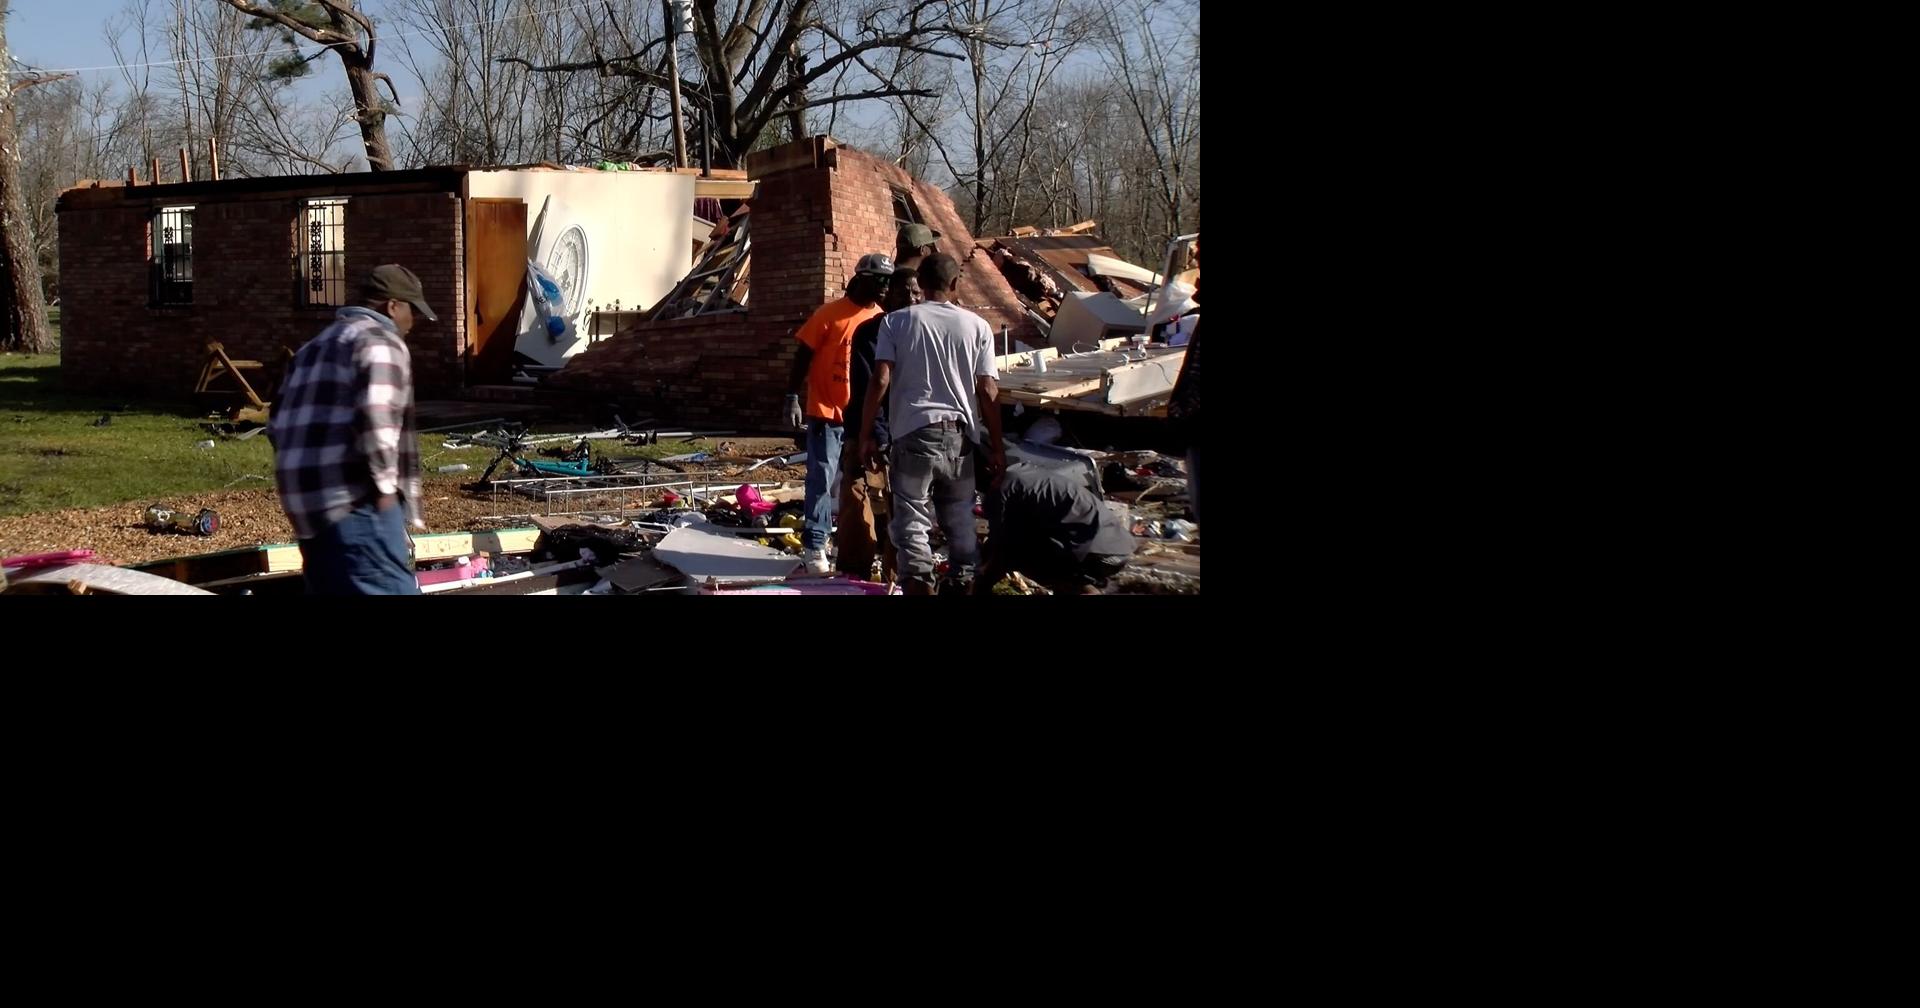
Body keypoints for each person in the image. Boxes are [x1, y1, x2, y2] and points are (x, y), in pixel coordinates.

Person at [270, 264, 437, 595]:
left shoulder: (313, 347)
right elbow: (377, 418)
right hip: (357, 504)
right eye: (411, 312)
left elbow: (276, 424)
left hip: (308, 511)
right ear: (392, 306)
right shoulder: (381, 341)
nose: (412, 323)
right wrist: (386, 490)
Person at [857, 253, 1005, 595]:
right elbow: (987, 389)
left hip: (912, 435)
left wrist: (866, 435)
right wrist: (996, 446)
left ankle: (918, 584)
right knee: (959, 519)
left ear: (919, 284)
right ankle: (963, 582)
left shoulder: (896, 322)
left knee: (911, 521)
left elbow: (880, 380)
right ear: (954, 284)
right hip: (959, 439)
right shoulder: (978, 327)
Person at [785, 253, 892, 573]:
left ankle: (867, 545)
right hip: (828, 411)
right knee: (821, 479)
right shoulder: (830, 314)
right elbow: (803, 355)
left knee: (867, 484)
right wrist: (791, 395)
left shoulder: (883, 319)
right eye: (880, 281)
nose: (885, 288)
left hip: (862, 417)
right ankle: (816, 546)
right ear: (862, 279)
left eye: (888, 281)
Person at [835, 261, 923, 580]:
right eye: (903, 293)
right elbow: (869, 385)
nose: (910, 300)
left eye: (916, 293)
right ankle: (854, 570)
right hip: (868, 427)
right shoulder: (871, 331)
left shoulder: (924, 333)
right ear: (887, 298)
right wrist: (874, 434)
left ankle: (895, 575)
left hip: (909, 431)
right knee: (857, 494)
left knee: (901, 506)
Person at [976, 461, 1136, 594]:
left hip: (1099, 554)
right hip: (1119, 547)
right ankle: (1078, 585)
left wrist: (979, 581)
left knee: (1019, 556)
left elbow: (999, 548)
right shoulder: (1024, 473)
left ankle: (1084, 589)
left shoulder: (1000, 490)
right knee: (1030, 549)